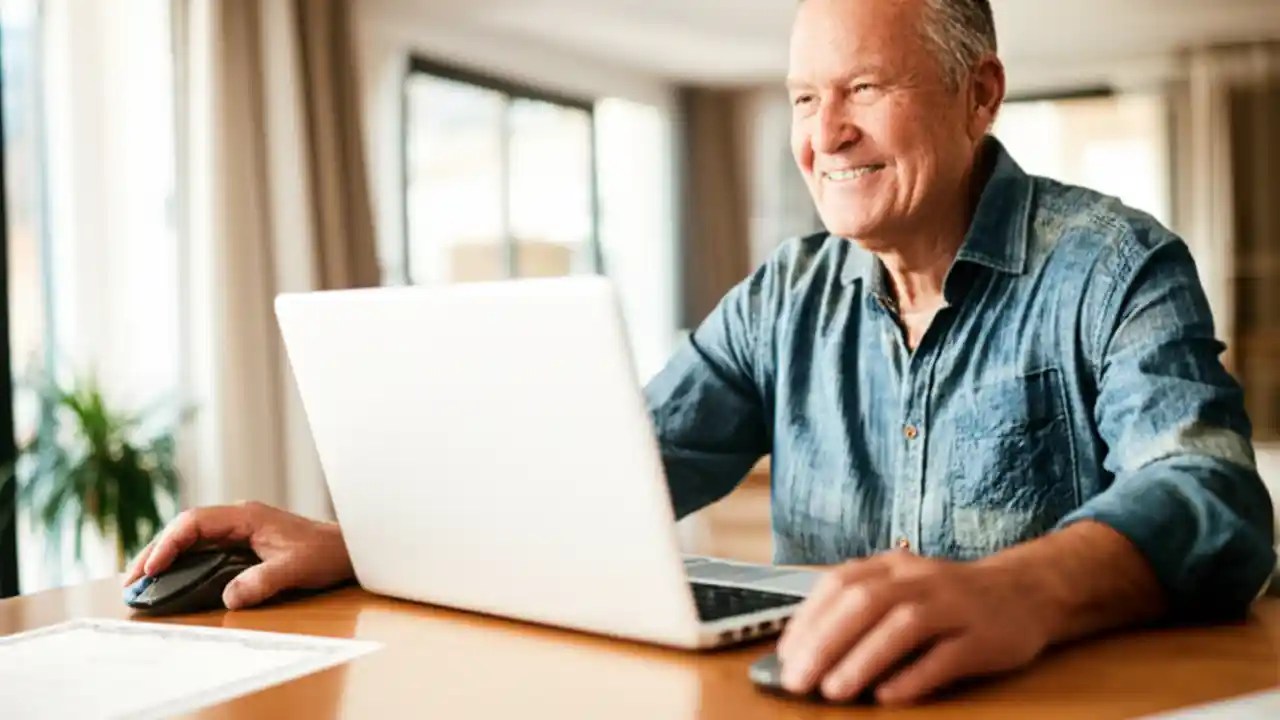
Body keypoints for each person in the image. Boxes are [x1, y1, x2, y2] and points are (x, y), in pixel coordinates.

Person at [125, 0, 1276, 706]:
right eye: (802, 97)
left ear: (977, 94)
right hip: (815, 702)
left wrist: (1015, 592)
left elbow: (1214, 497)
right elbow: (620, 469)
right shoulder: (786, 292)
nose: (822, 135)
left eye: (863, 89)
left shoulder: (1115, 265)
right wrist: (352, 542)